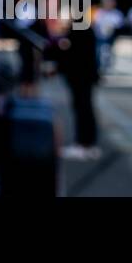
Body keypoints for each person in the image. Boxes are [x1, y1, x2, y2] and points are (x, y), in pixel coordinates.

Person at [54, 22, 101, 160]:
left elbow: (72, 52)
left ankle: (83, 144)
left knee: (83, 109)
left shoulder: (79, 29)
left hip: (80, 76)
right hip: (83, 75)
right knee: (85, 108)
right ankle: (87, 143)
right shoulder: (83, 28)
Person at [93, 0, 125, 74]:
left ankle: (107, 66)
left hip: (111, 36)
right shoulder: (98, 12)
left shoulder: (116, 13)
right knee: (98, 51)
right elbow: (93, 22)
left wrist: (111, 26)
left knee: (109, 51)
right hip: (99, 35)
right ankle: (98, 67)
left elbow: (120, 24)